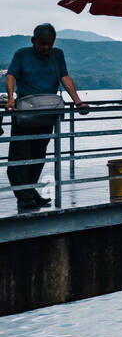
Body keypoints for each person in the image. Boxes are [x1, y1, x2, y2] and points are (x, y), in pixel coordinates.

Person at [5, 23, 88, 210]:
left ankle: (30, 191)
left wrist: (78, 101)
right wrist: (10, 98)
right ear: (33, 40)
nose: (47, 48)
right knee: (19, 155)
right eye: (43, 44)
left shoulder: (57, 54)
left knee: (39, 154)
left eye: (50, 44)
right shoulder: (21, 54)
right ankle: (24, 196)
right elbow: (10, 76)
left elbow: (65, 78)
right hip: (25, 112)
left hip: (47, 112)